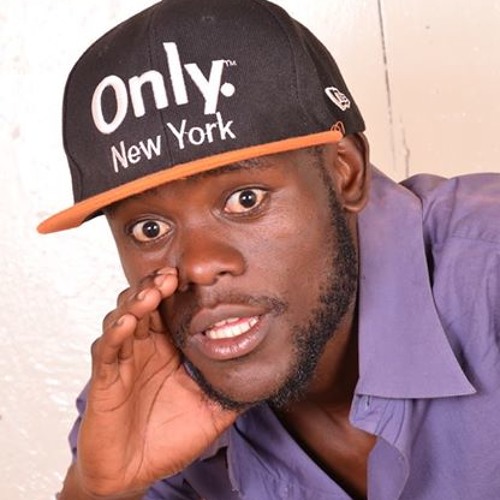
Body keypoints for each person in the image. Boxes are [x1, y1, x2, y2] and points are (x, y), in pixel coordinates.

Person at [38, 0, 500, 499]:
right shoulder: (145, 399)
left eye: (245, 199)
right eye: (150, 229)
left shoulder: (487, 277)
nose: (197, 265)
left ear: (345, 172)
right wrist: (100, 489)